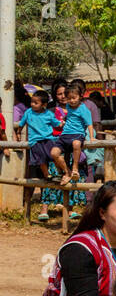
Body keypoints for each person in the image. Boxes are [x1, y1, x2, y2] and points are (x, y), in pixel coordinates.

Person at [18, 90, 61, 221]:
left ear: (44, 104)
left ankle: (60, 172)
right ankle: (47, 175)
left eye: (35, 102)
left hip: (48, 139)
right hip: (34, 141)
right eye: (32, 102)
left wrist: (63, 123)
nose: (32, 104)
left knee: (54, 156)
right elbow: (21, 124)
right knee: (40, 159)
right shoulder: (28, 113)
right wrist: (18, 133)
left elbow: (57, 124)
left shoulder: (48, 114)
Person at [51, 82, 94, 187]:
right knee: (54, 153)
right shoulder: (68, 107)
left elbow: (89, 124)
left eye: (74, 98)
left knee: (76, 144)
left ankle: (75, 168)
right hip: (65, 134)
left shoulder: (84, 109)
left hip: (77, 134)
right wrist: (64, 121)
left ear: (80, 96)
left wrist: (92, 137)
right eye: (69, 98)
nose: (72, 100)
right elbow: (69, 116)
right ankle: (67, 171)